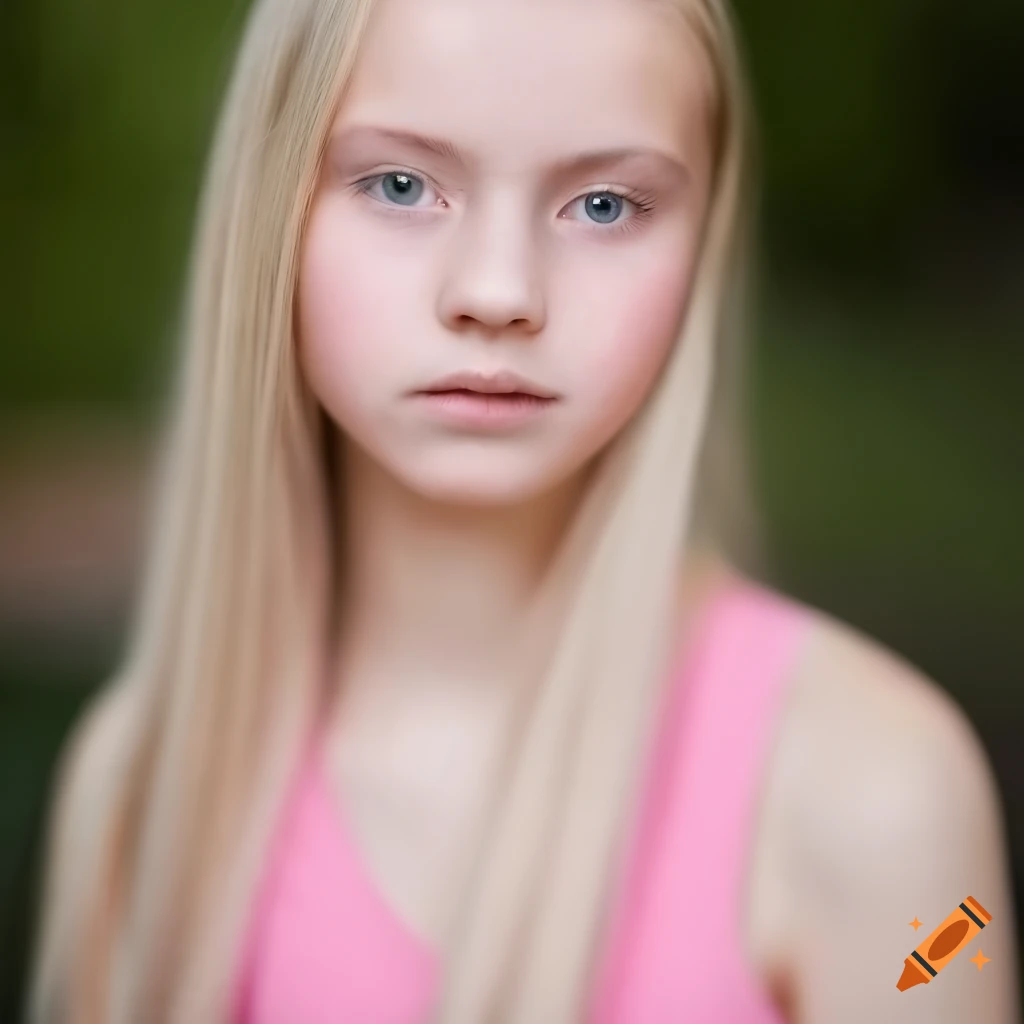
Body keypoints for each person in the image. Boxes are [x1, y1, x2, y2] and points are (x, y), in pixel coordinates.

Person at [27, 0, 1021, 1021]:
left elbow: (946, 959)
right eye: (402, 184)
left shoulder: (890, 799)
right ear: (270, 203)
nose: (498, 291)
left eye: (602, 205)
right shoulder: (138, 792)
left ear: (703, 243)